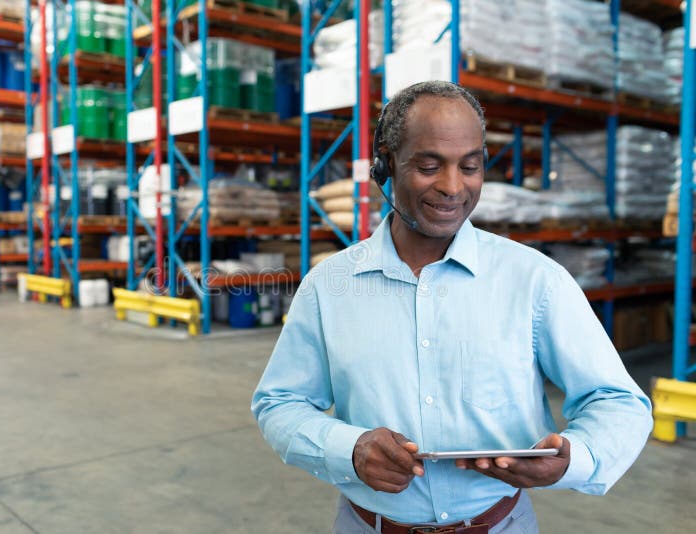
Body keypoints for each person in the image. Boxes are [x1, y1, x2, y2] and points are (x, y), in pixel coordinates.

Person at [251, 81, 653, 533]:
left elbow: (618, 400)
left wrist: (574, 459)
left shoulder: (535, 281)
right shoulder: (330, 286)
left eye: (470, 166)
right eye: (428, 166)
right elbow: (280, 402)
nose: (452, 187)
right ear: (386, 165)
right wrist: (347, 448)